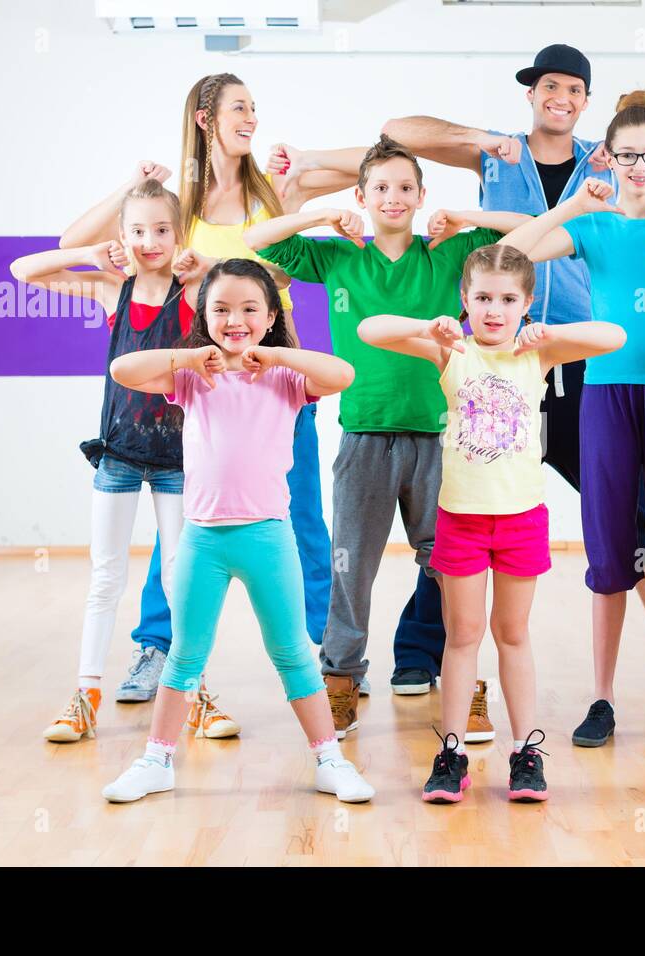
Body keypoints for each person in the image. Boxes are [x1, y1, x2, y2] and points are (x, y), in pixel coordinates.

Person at [382, 44, 645, 693]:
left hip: (568, 366)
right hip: (493, 368)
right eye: (550, 86)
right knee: (458, 510)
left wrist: (639, 147)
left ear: (586, 101)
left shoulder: (609, 159)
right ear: (532, 93)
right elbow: (399, 132)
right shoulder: (496, 151)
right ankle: (421, 649)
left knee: (637, 516)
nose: (561, 98)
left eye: (574, 89)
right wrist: (482, 138)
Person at [246, 137, 531, 740]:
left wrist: (470, 216)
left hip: (442, 441)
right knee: (352, 567)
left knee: (450, 568)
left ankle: (464, 681)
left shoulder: (450, 254)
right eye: (381, 188)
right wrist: (323, 215)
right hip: (364, 439)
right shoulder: (340, 257)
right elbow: (255, 242)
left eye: (406, 188)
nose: (394, 198)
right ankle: (342, 677)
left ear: (423, 196)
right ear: (363, 196)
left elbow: (527, 228)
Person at [101, 259, 373, 804]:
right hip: (203, 539)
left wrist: (272, 355)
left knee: (293, 652)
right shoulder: (189, 377)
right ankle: (156, 760)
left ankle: (330, 759)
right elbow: (123, 370)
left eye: (250, 308)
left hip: (268, 537)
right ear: (204, 315)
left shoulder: (287, 377)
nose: (235, 319)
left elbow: (341, 373)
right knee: (184, 654)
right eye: (220, 308)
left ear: (271, 316)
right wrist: (186, 355)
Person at [359, 244, 625, 802]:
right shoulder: (451, 351)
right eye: (482, 298)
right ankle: (451, 753)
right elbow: (370, 331)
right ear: (465, 300)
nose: (494, 310)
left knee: (512, 634)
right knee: (463, 636)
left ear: (526, 303)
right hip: (461, 519)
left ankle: (526, 753)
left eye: (508, 299)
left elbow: (613, 337)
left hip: (521, 519)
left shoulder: (536, 355)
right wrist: (430, 326)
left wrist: (548, 334)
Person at [11, 179, 208, 744]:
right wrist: (86, 254)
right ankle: (85, 695)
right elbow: (25, 270)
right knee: (106, 578)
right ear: (123, 235)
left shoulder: (195, 290)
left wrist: (203, 263)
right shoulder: (108, 288)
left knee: (181, 577)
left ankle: (194, 693)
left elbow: (260, 277)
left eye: (162, 230)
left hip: (176, 457)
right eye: (138, 230)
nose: (150, 240)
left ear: (179, 234)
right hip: (118, 455)